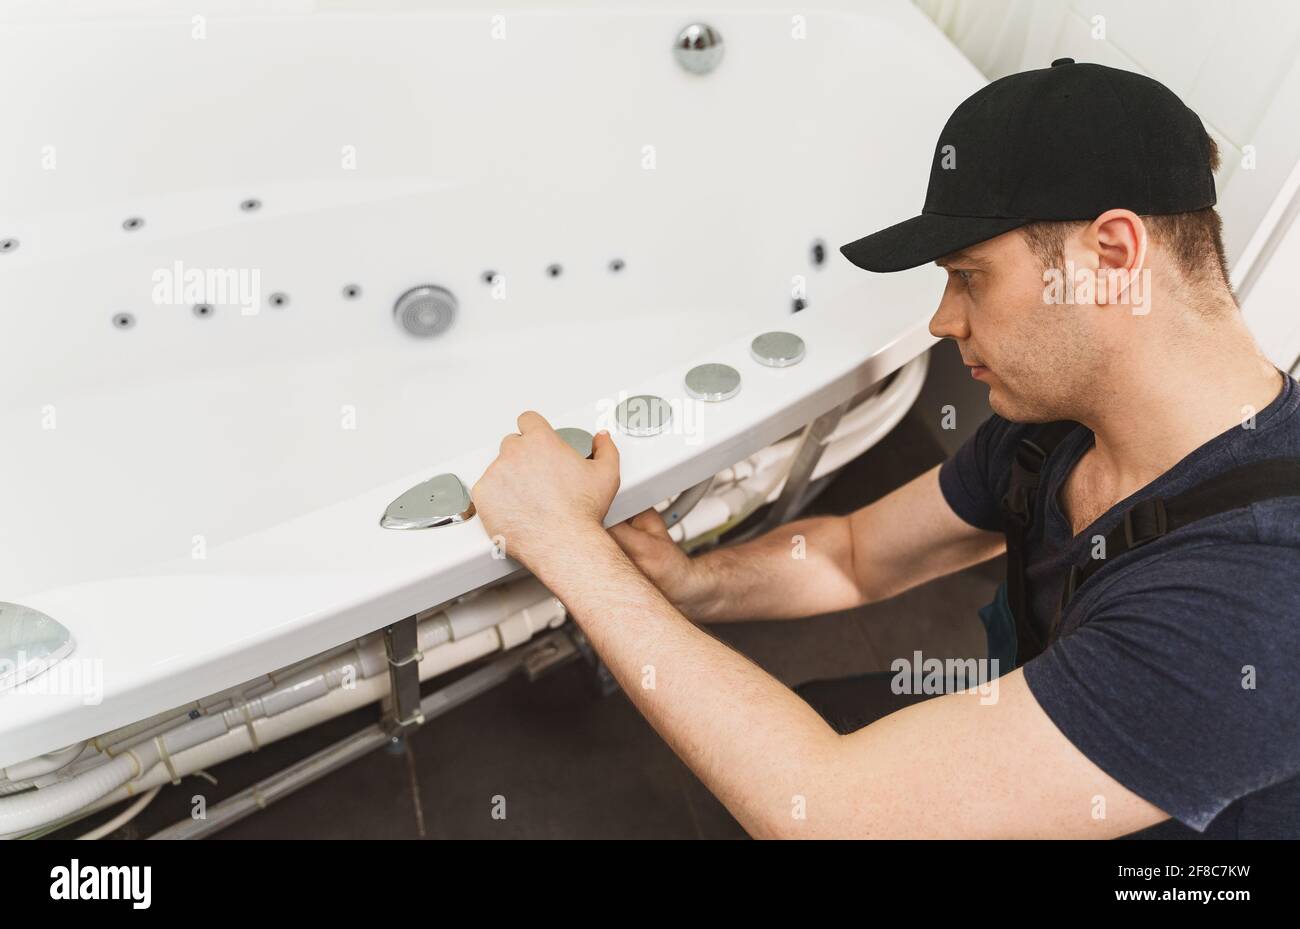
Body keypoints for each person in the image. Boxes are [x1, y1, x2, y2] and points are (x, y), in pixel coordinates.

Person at [471, 60, 1300, 838]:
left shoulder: (1258, 600)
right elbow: (855, 556)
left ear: (1110, 255)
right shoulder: (1066, 426)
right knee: (803, 723)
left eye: (970, 274)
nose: (943, 319)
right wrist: (691, 582)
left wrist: (567, 543)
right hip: (1099, 742)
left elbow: (829, 814)